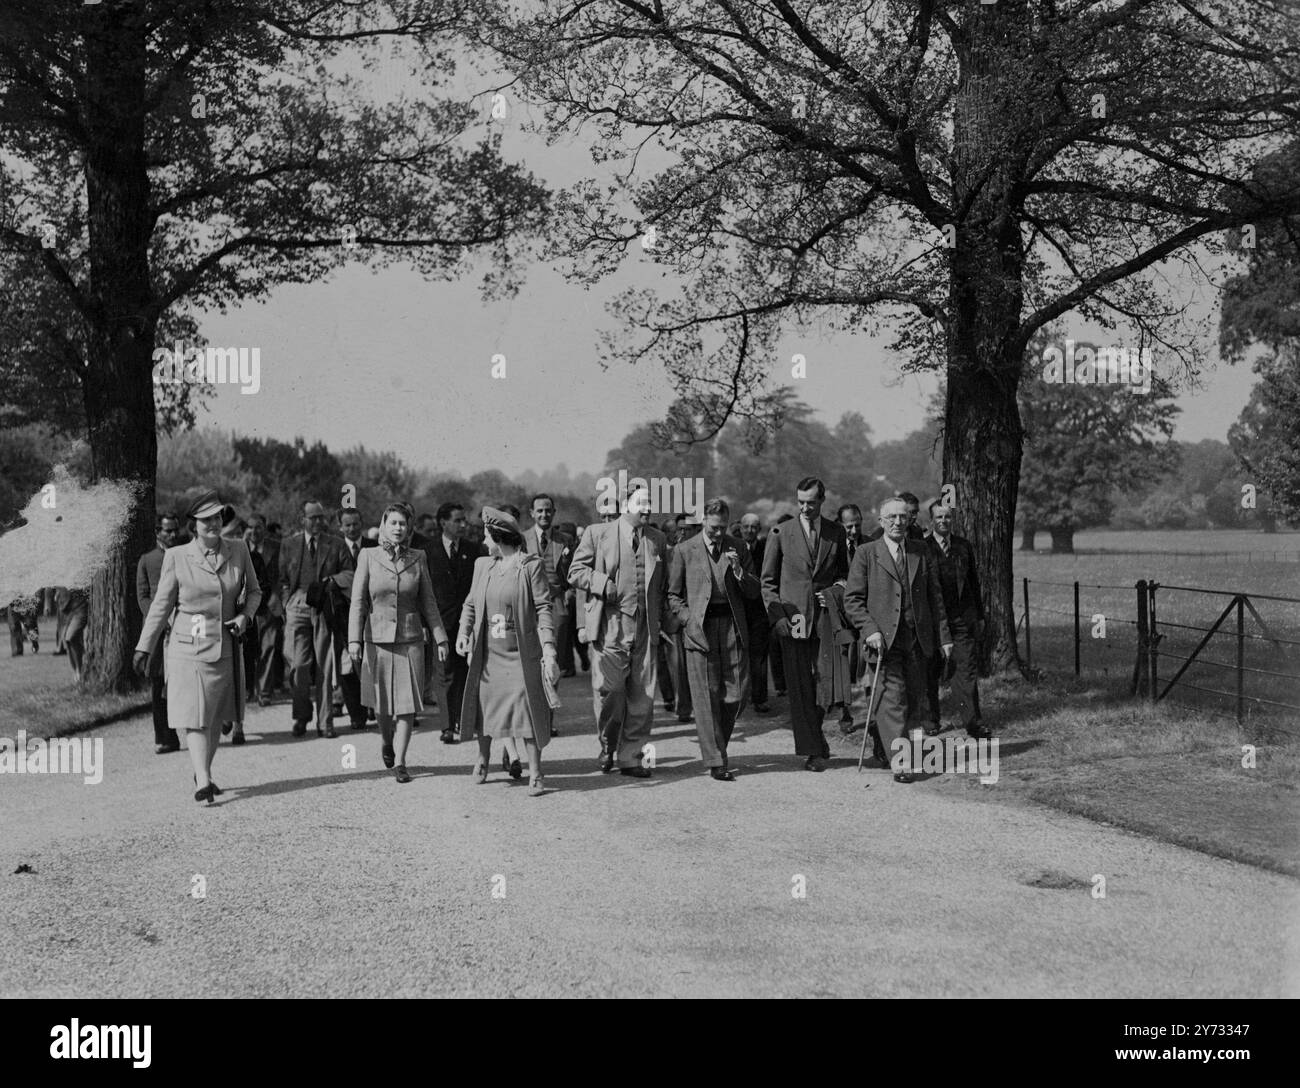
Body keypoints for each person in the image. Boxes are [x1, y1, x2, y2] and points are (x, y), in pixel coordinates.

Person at [133, 491, 262, 804]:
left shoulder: (239, 550)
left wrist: (245, 617)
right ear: (194, 525)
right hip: (186, 647)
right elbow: (161, 605)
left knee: (216, 716)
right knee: (195, 714)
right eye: (206, 520)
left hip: (224, 646)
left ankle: (202, 769)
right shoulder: (177, 556)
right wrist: (144, 647)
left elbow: (255, 592)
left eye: (217, 518)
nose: (213, 524)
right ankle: (202, 780)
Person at [567, 486, 675, 778]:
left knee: (642, 696)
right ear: (626, 505)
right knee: (611, 692)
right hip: (610, 625)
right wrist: (602, 584)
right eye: (642, 503)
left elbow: (664, 587)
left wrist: (667, 623)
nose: (648, 508)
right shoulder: (597, 533)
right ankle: (607, 743)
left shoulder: (658, 539)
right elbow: (574, 571)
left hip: (645, 626)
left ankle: (631, 757)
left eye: (650, 504)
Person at [843, 497, 953, 784]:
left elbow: (935, 598)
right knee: (892, 700)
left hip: (917, 641)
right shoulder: (867, 553)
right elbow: (852, 600)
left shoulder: (920, 551)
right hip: (883, 643)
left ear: (910, 521)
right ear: (881, 521)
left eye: (903, 517)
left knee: (914, 700)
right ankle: (900, 762)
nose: (898, 522)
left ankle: (892, 747)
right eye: (891, 517)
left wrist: (944, 637)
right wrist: (870, 630)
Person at [457, 506, 559, 796]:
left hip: (520, 655)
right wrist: (464, 633)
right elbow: (470, 604)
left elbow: (543, 608)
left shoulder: (530, 566)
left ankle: (536, 773)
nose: (483, 541)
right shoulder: (482, 565)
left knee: (526, 711)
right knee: (485, 710)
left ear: (498, 536)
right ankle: (483, 760)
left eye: (486, 535)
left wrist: (548, 647)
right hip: (488, 654)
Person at [347, 503, 449, 784]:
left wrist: (440, 638)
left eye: (403, 524)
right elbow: (358, 601)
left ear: (409, 528)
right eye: (393, 523)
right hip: (376, 639)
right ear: (383, 524)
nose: (398, 528)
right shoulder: (368, 556)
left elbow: (428, 601)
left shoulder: (419, 557)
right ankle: (386, 740)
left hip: (410, 639)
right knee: (381, 704)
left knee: (407, 704)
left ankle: (401, 762)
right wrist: (353, 639)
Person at [760, 477, 849, 772]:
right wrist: (779, 618)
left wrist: (834, 593)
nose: (805, 507)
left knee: (825, 681)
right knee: (800, 686)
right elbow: (767, 582)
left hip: (824, 619)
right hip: (794, 618)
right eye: (801, 502)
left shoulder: (836, 533)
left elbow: (845, 576)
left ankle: (817, 735)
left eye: (811, 502)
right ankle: (812, 749)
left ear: (822, 501)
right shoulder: (781, 532)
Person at [667, 499, 759, 781]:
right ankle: (717, 760)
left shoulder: (739, 547)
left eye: (723, 527)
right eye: (714, 527)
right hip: (700, 629)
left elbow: (754, 591)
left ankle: (718, 748)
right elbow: (673, 595)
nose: (719, 533)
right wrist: (687, 619)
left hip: (731, 625)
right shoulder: (685, 550)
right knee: (707, 697)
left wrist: (740, 571)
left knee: (736, 694)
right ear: (704, 521)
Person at [279, 500, 355, 738]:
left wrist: (331, 582)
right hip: (296, 607)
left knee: (325, 665)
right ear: (302, 519)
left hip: (324, 607)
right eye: (313, 518)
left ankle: (326, 722)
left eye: (321, 517)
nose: (318, 522)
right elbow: (281, 579)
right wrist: (286, 602)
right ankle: (301, 716)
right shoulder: (289, 544)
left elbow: (350, 573)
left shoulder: (336, 544)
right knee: (298, 666)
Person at [415, 501, 486, 745]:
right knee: (443, 673)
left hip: (468, 624)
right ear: (443, 522)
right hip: (441, 624)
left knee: (466, 672)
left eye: (464, 520)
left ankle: (462, 721)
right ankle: (447, 726)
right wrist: (426, 624)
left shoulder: (475, 550)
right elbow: (422, 593)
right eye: (457, 520)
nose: (463, 524)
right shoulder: (427, 552)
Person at [924, 501, 989, 739]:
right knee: (932, 670)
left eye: (948, 517)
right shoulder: (923, 548)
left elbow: (973, 584)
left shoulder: (963, 546)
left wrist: (979, 615)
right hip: (933, 622)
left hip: (962, 619)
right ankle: (931, 719)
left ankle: (973, 722)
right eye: (939, 517)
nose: (944, 521)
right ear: (931, 520)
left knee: (966, 670)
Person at [137, 512, 182, 754]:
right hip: (158, 632)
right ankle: (165, 737)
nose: (173, 535)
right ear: (158, 532)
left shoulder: (185, 556)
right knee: (157, 684)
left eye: (175, 530)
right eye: (168, 531)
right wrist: (157, 619)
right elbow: (142, 596)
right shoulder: (147, 560)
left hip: (182, 627)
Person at [523, 494, 576, 677]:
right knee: (532, 653)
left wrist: (571, 592)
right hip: (530, 603)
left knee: (555, 656)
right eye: (539, 511)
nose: (544, 514)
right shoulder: (522, 539)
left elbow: (576, 569)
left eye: (547, 510)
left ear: (554, 512)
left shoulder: (566, 540)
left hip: (558, 601)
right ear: (532, 513)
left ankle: (550, 701)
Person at [336, 507, 376, 730]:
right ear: (340, 527)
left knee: (372, 662)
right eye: (347, 525)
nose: (352, 529)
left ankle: (375, 707)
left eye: (356, 524)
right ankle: (356, 714)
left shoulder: (373, 547)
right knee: (348, 666)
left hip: (371, 613)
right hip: (343, 616)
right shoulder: (335, 548)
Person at [244, 513, 282, 706]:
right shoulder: (239, 548)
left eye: (258, 527)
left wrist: (277, 597)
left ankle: (264, 691)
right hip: (246, 609)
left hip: (268, 606)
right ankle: (248, 688)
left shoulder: (276, 548)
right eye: (250, 527)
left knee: (268, 647)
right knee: (249, 650)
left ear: (264, 529)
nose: (253, 531)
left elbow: (281, 575)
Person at [737, 513, 772, 713]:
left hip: (759, 610)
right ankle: (740, 698)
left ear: (758, 530)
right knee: (739, 655)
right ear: (740, 528)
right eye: (746, 527)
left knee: (759, 656)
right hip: (739, 610)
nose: (749, 530)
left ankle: (759, 698)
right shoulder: (733, 548)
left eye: (754, 527)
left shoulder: (765, 549)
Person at [58, 588, 88, 683]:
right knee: (66, 640)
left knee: (71, 637)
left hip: (80, 608)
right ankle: (76, 671)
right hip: (68, 611)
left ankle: (79, 670)